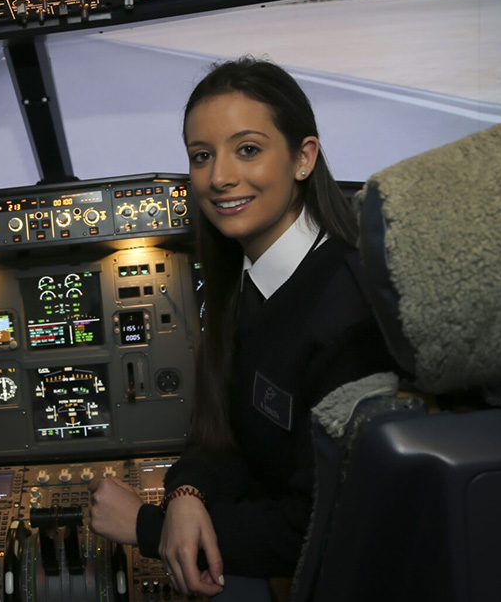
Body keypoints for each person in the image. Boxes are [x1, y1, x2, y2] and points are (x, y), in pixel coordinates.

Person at [88, 57, 398, 597]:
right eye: (202, 156)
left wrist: (146, 526)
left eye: (248, 149)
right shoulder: (249, 278)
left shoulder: (348, 317)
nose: (219, 177)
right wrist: (186, 492)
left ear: (303, 158)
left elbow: (321, 523)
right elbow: (229, 428)